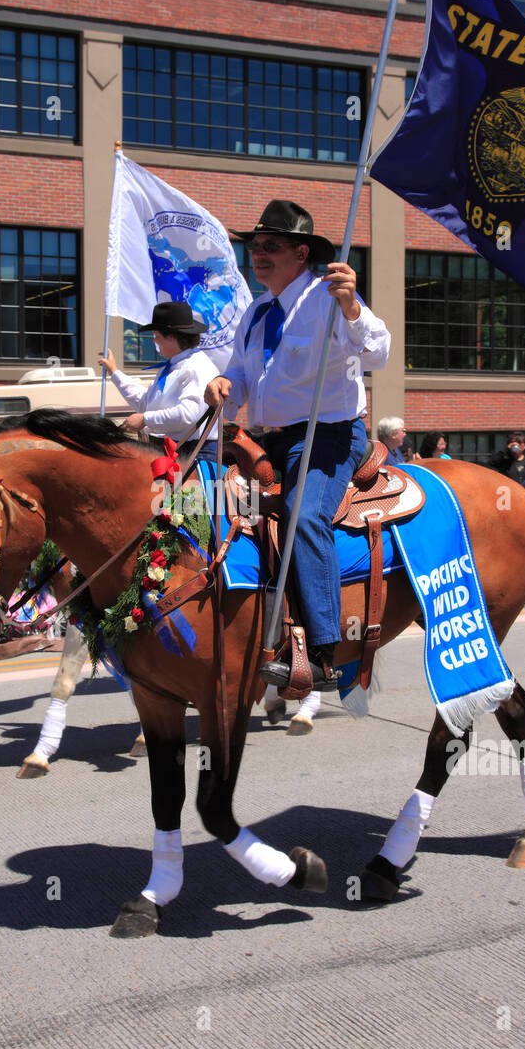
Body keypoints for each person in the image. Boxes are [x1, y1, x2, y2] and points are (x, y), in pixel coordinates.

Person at [205, 199, 390, 690]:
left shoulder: (329, 297)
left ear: (301, 252)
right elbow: (244, 375)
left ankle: (327, 653)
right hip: (273, 440)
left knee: (304, 516)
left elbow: (379, 352)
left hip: (327, 436)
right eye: (255, 246)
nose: (258, 254)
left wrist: (352, 306)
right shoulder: (256, 310)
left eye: (271, 246)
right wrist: (225, 386)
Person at [98, 301, 220, 463]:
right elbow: (145, 402)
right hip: (175, 452)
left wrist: (145, 419)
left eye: (157, 336)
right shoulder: (173, 367)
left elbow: (188, 415)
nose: (154, 341)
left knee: (187, 490)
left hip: (193, 455)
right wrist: (115, 373)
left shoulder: (197, 367)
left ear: (171, 338)